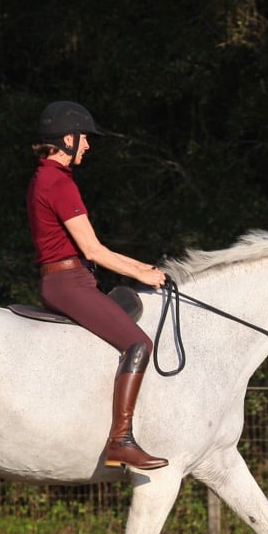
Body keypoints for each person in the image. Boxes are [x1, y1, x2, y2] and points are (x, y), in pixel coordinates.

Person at [27, 101, 168, 471]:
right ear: (68, 138)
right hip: (68, 282)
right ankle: (120, 440)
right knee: (139, 342)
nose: (88, 146)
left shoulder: (46, 178)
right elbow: (93, 249)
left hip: (68, 278)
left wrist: (143, 266)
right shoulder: (58, 182)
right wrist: (142, 275)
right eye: (85, 139)